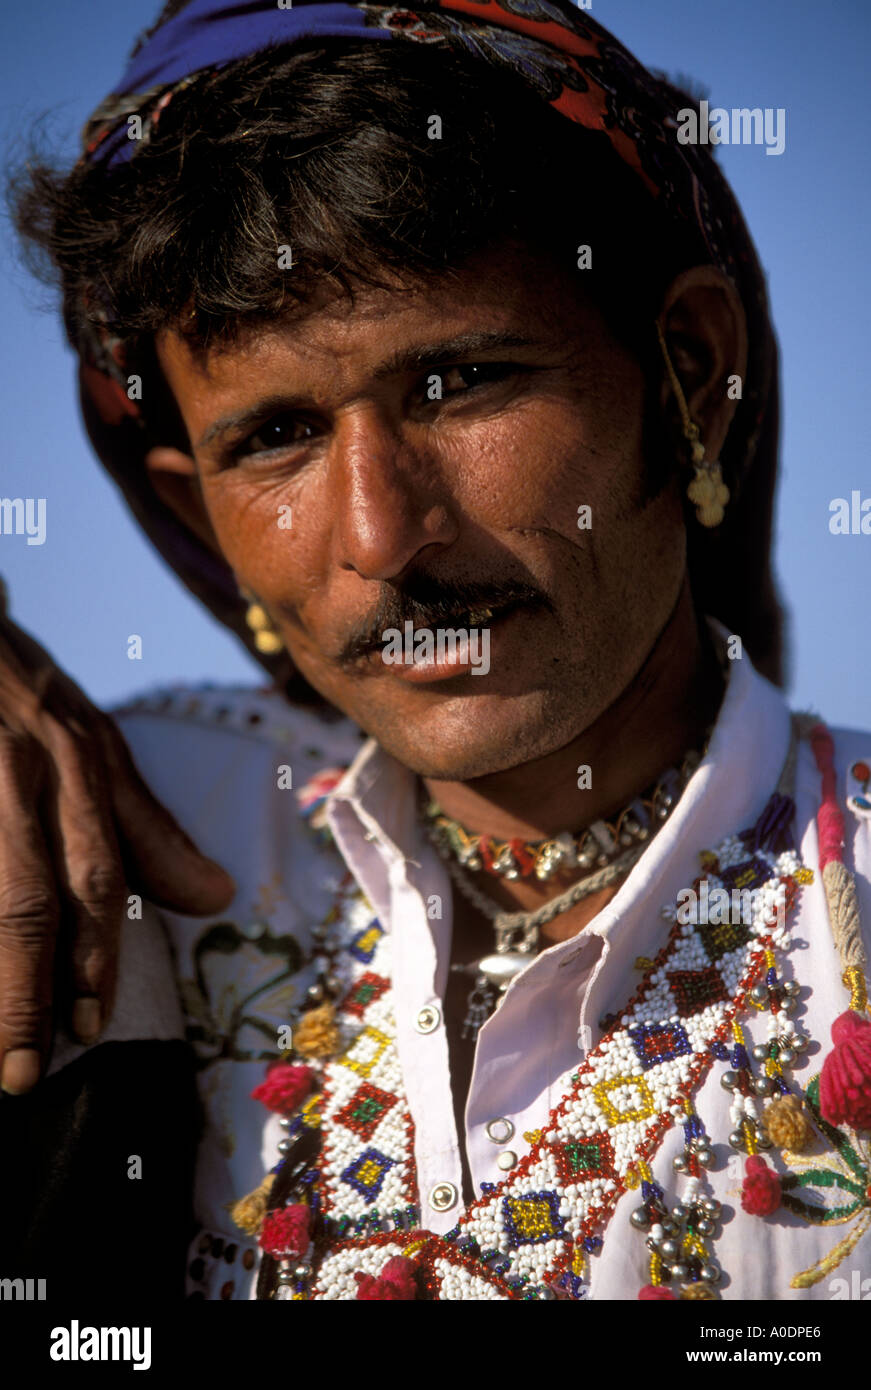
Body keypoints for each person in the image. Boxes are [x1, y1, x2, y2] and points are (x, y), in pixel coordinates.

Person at [1, 0, 869, 1302]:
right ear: (198, 511)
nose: (381, 534)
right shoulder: (120, 830)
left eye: (457, 383)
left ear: (689, 373)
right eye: (275, 435)